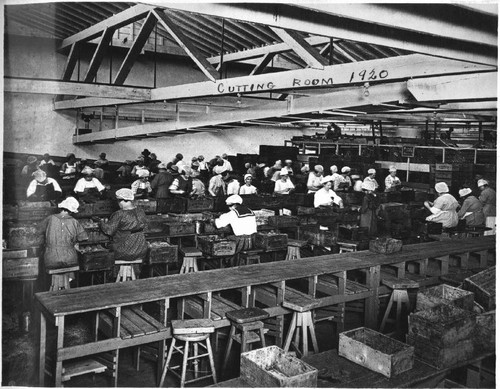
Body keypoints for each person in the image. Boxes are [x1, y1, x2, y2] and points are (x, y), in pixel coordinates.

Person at [97, 188, 148, 279]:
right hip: (141, 249)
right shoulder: (140, 211)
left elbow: (109, 230)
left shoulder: (119, 214)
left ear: (121, 201)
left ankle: (111, 278)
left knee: (107, 250)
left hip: (124, 251)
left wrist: (101, 222)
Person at [38, 197, 88, 280]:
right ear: (71, 211)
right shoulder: (74, 221)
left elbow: (38, 230)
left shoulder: (50, 218)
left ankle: (59, 287)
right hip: (69, 259)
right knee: (70, 270)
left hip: (51, 259)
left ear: (62, 207)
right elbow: (84, 237)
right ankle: (67, 282)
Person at [214, 194, 257, 267]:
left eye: (229, 206)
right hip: (253, 241)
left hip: (240, 242)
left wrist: (213, 220)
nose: (229, 208)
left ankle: (226, 264)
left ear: (233, 205)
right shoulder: (250, 211)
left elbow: (218, 224)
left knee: (222, 243)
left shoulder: (233, 213)